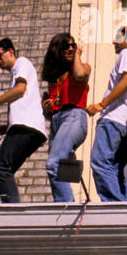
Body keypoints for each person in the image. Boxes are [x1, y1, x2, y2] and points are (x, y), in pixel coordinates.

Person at [0, 38, 48, 203]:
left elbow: (20, 89)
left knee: (1, 169)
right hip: (30, 129)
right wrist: (5, 128)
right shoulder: (17, 72)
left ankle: (12, 210)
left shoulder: (22, 63)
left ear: (11, 52)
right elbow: (26, 106)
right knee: (6, 171)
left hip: (26, 128)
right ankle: (12, 207)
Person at [86, 25, 127, 201]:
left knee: (100, 161)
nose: (113, 42)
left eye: (118, 38)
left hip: (114, 119)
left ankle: (114, 205)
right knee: (114, 167)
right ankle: (123, 206)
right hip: (125, 122)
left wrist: (102, 105)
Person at [40, 33, 91, 203]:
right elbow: (50, 112)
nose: (70, 48)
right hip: (57, 121)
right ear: (57, 50)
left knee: (53, 164)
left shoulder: (83, 67)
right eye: (66, 46)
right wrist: (47, 109)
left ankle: (66, 207)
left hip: (74, 117)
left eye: (73, 45)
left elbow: (80, 76)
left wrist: (77, 54)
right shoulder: (54, 79)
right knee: (60, 168)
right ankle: (62, 203)